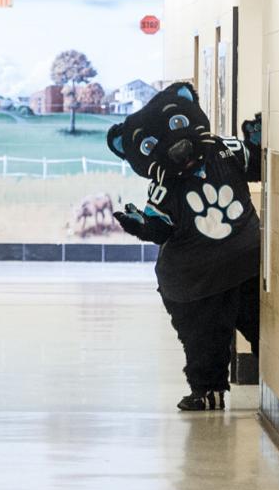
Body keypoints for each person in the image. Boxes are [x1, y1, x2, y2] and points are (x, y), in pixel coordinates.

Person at [106, 82, 263, 410]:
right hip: (214, 272)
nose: (176, 147)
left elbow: (257, 165)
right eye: (150, 145)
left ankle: (214, 390)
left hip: (221, 270)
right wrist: (140, 224)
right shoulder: (176, 177)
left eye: (178, 123)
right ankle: (212, 389)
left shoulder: (216, 154)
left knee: (234, 330)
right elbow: (159, 229)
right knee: (221, 332)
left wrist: (258, 141)